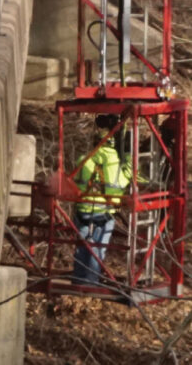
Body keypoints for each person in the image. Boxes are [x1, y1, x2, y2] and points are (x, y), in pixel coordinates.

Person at [72, 114, 134, 284]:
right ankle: (91, 282)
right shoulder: (115, 163)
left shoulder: (83, 159)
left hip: (83, 211)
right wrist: (129, 158)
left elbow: (73, 184)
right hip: (104, 214)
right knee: (97, 250)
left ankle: (78, 279)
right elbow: (125, 179)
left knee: (81, 247)